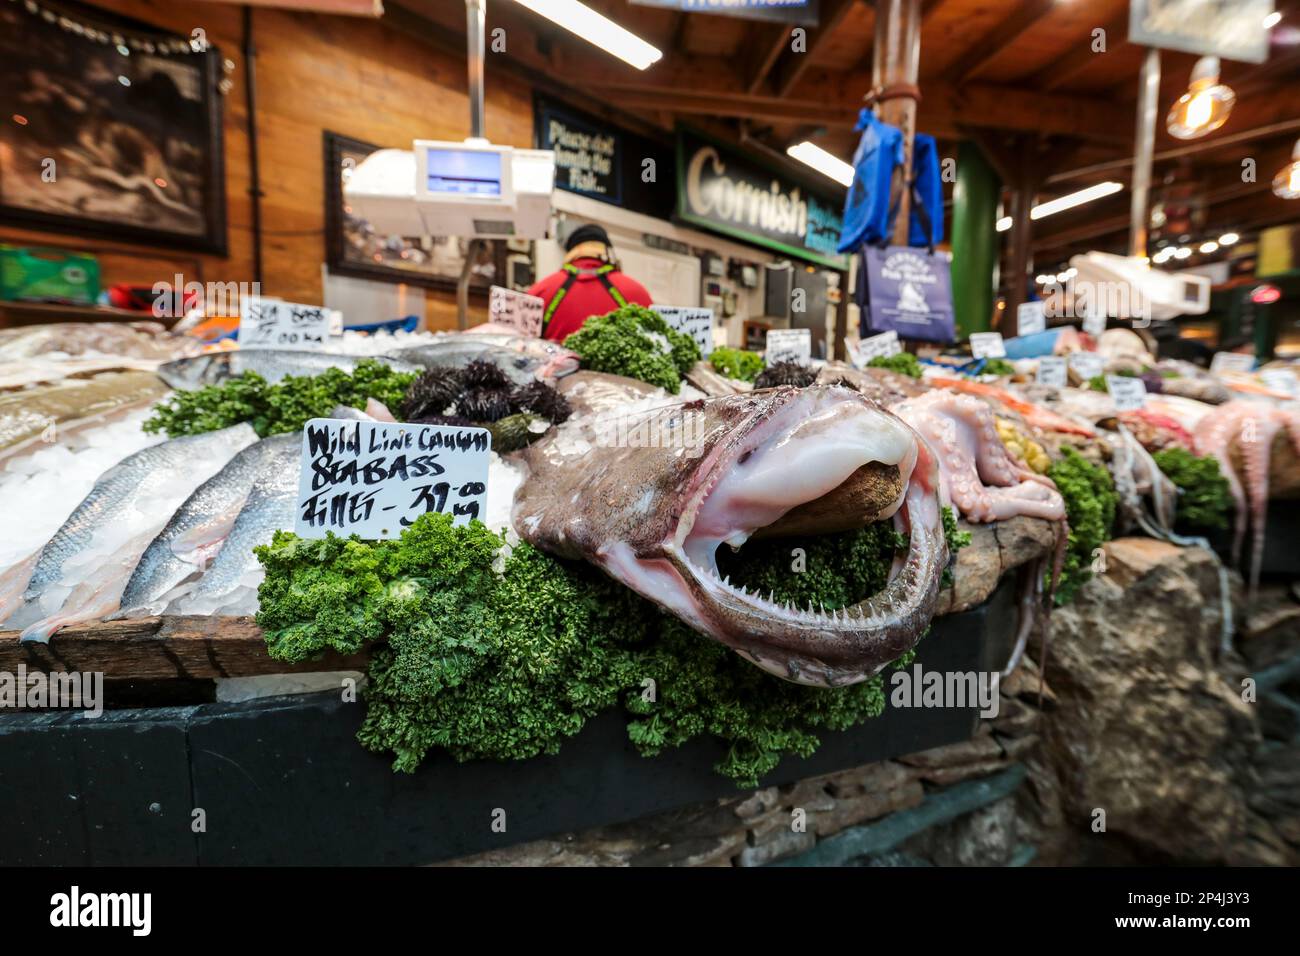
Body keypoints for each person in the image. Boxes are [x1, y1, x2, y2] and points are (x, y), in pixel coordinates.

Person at [529, 224, 652, 342]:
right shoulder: (637, 293)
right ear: (608, 252)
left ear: (570, 253)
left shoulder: (540, 291)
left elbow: (517, 349)